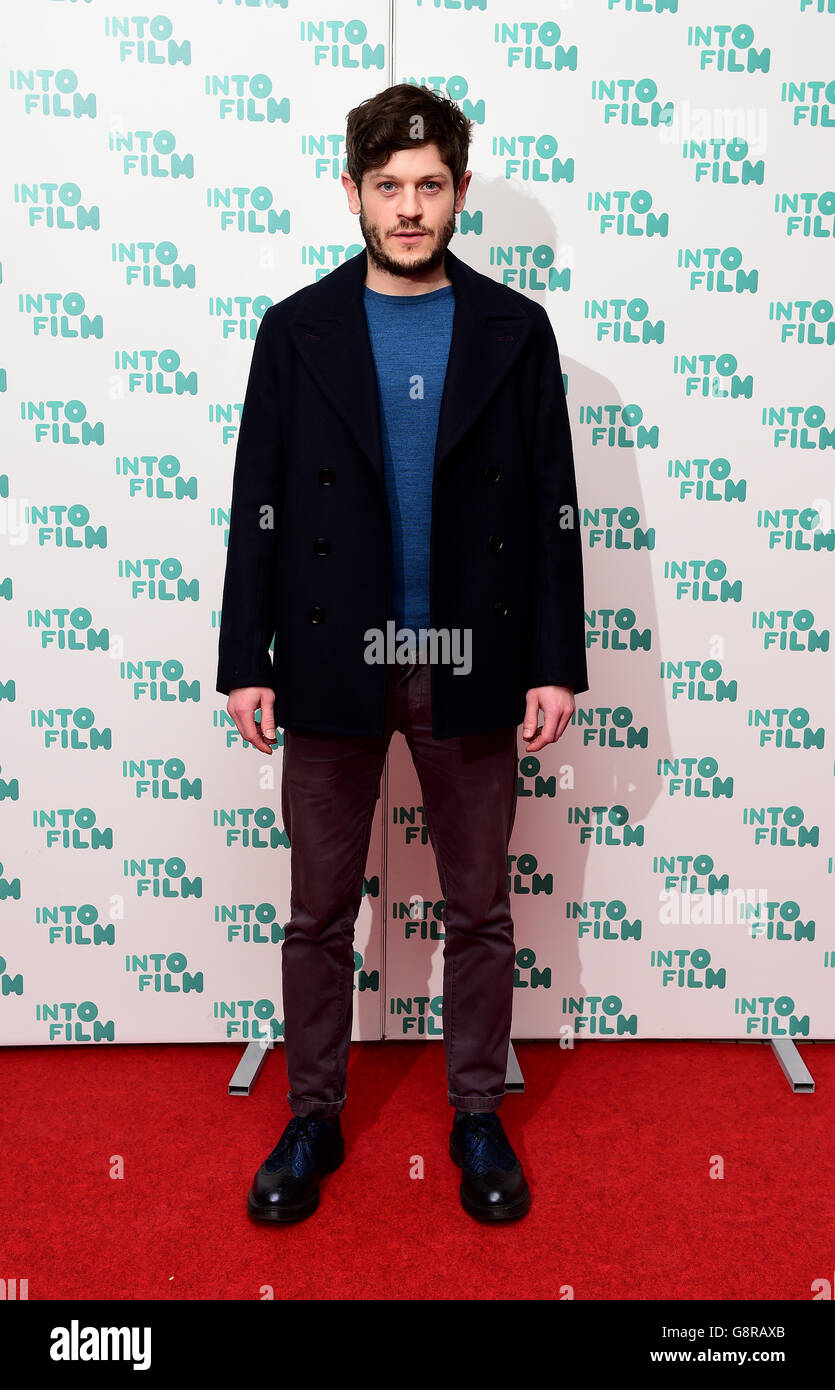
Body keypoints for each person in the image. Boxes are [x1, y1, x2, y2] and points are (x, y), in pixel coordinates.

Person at [217, 83, 588, 1225]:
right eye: (388, 186)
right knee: (317, 910)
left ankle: (477, 1112)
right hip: (332, 654)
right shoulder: (296, 330)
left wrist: (554, 660)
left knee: (478, 907)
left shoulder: (514, 331)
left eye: (430, 185)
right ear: (354, 192)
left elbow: (548, 502)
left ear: (459, 191)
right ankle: (314, 1113)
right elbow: (260, 500)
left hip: (467, 654)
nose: (410, 206)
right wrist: (246, 656)